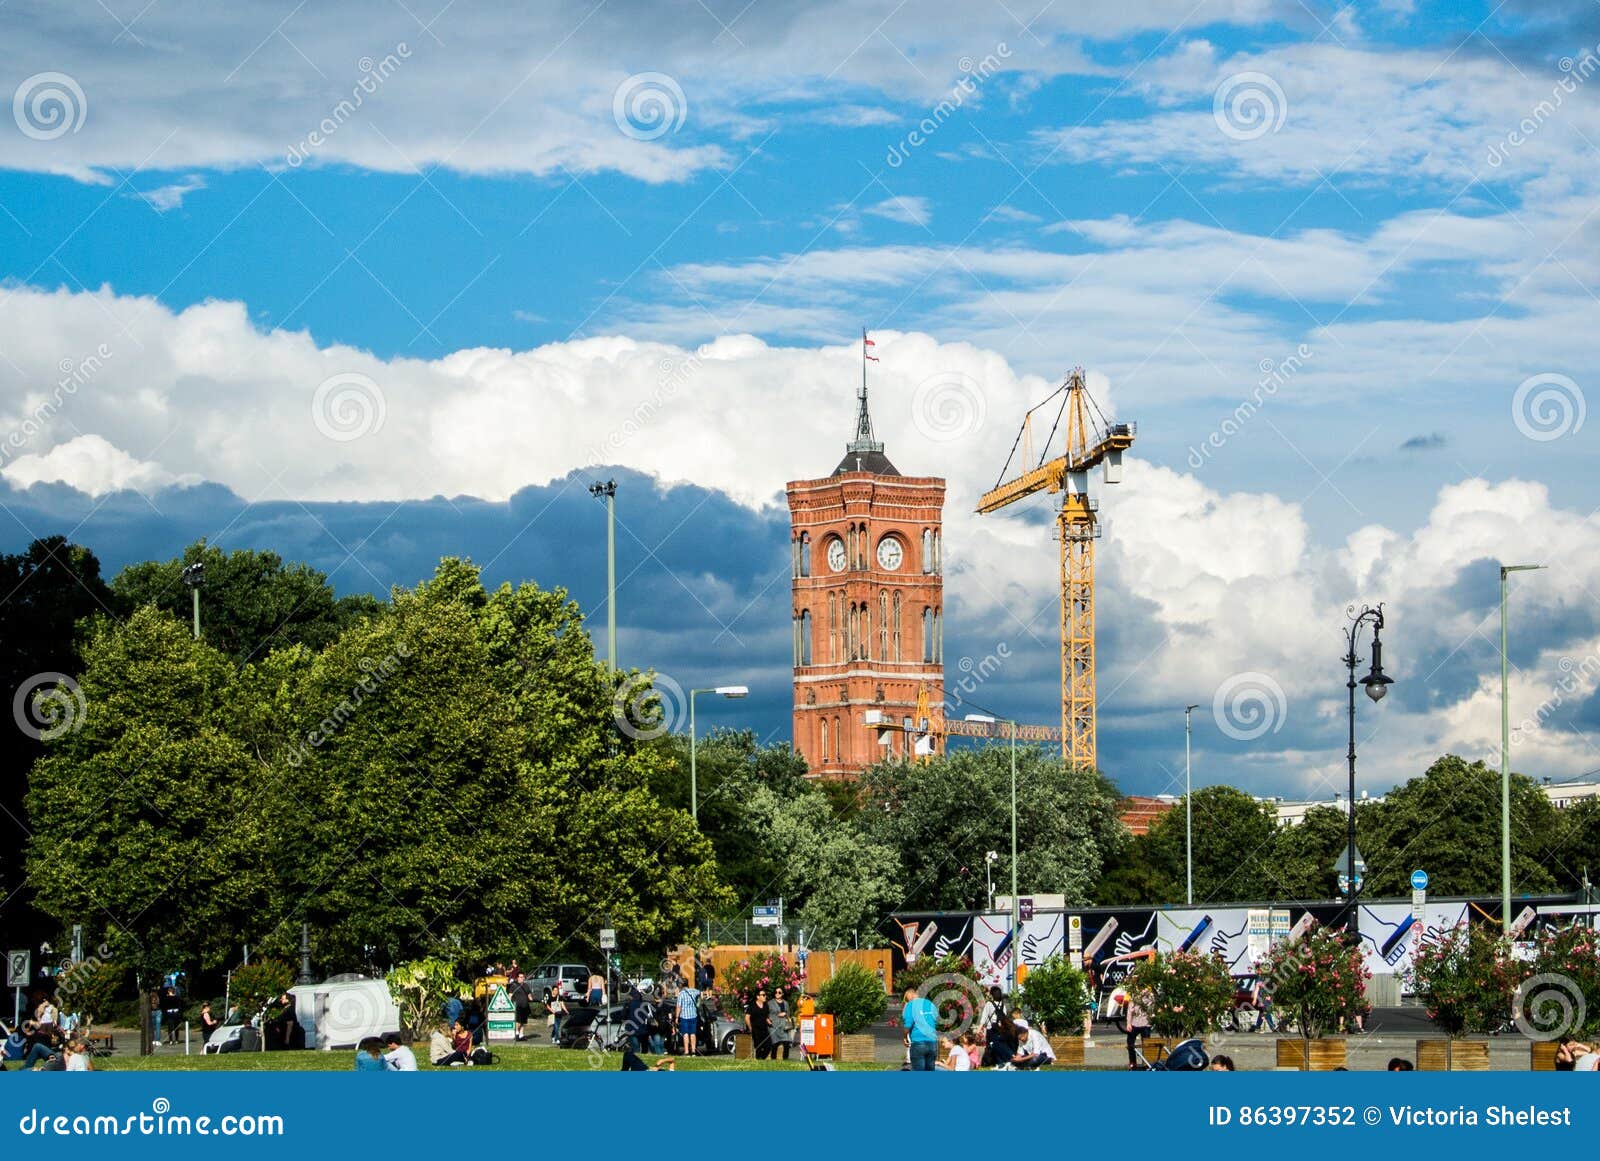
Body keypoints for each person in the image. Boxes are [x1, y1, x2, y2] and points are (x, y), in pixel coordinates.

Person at [901, 986, 939, 1072]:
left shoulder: (911, 1005)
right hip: (932, 1043)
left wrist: (904, 1037)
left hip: (918, 1043)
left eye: (907, 1000)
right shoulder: (930, 1003)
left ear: (909, 997)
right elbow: (936, 1020)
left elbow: (907, 1025)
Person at [1123, 993, 1151, 1069]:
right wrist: (1128, 1023)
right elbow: (1130, 1010)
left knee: (1146, 1045)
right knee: (1130, 1043)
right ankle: (1133, 1063)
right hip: (1134, 1023)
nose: (1144, 990)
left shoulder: (1151, 996)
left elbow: (1153, 1009)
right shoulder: (1134, 996)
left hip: (1146, 1024)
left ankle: (1146, 1064)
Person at [767, 987, 795, 1061]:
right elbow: (767, 1015)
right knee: (775, 1044)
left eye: (779, 992)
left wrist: (786, 1015)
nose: (777, 994)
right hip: (774, 1026)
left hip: (784, 1027)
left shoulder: (786, 1003)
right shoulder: (770, 1003)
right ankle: (773, 1060)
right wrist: (778, 1015)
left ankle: (785, 1060)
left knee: (786, 1043)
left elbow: (788, 1014)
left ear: (782, 994)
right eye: (776, 992)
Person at [745, 988, 773, 1060]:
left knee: (768, 1045)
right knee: (759, 1046)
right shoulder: (752, 1006)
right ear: (758, 997)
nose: (765, 996)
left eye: (765, 995)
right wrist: (750, 1028)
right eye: (763, 995)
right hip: (756, 1029)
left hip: (764, 1029)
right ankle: (758, 1060)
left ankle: (762, 1059)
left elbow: (765, 1017)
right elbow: (747, 1017)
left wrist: (769, 1021)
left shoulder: (766, 1006)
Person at [676, 981, 701, 1056]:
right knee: (693, 1033)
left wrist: (677, 1017)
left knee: (685, 1033)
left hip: (684, 1016)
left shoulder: (681, 994)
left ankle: (686, 1051)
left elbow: (678, 1007)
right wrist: (698, 1002)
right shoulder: (693, 991)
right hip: (693, 1015)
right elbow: (700, 992)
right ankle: (693, 1051)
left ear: (681, 985)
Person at [512, 978, 532, 1042]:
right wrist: (510, 1004)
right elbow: (510, 995)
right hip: (518, 1006)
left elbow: (529, 994)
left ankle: (521, 1035)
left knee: (523, 1021)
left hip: (525, 1006)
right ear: (517, 978)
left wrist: (531, 998)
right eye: (520, 977)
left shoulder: (526, 985)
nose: (521, 978)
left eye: (522, 977)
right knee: (518, 1021)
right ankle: (517, 1033)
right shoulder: (514, 986)